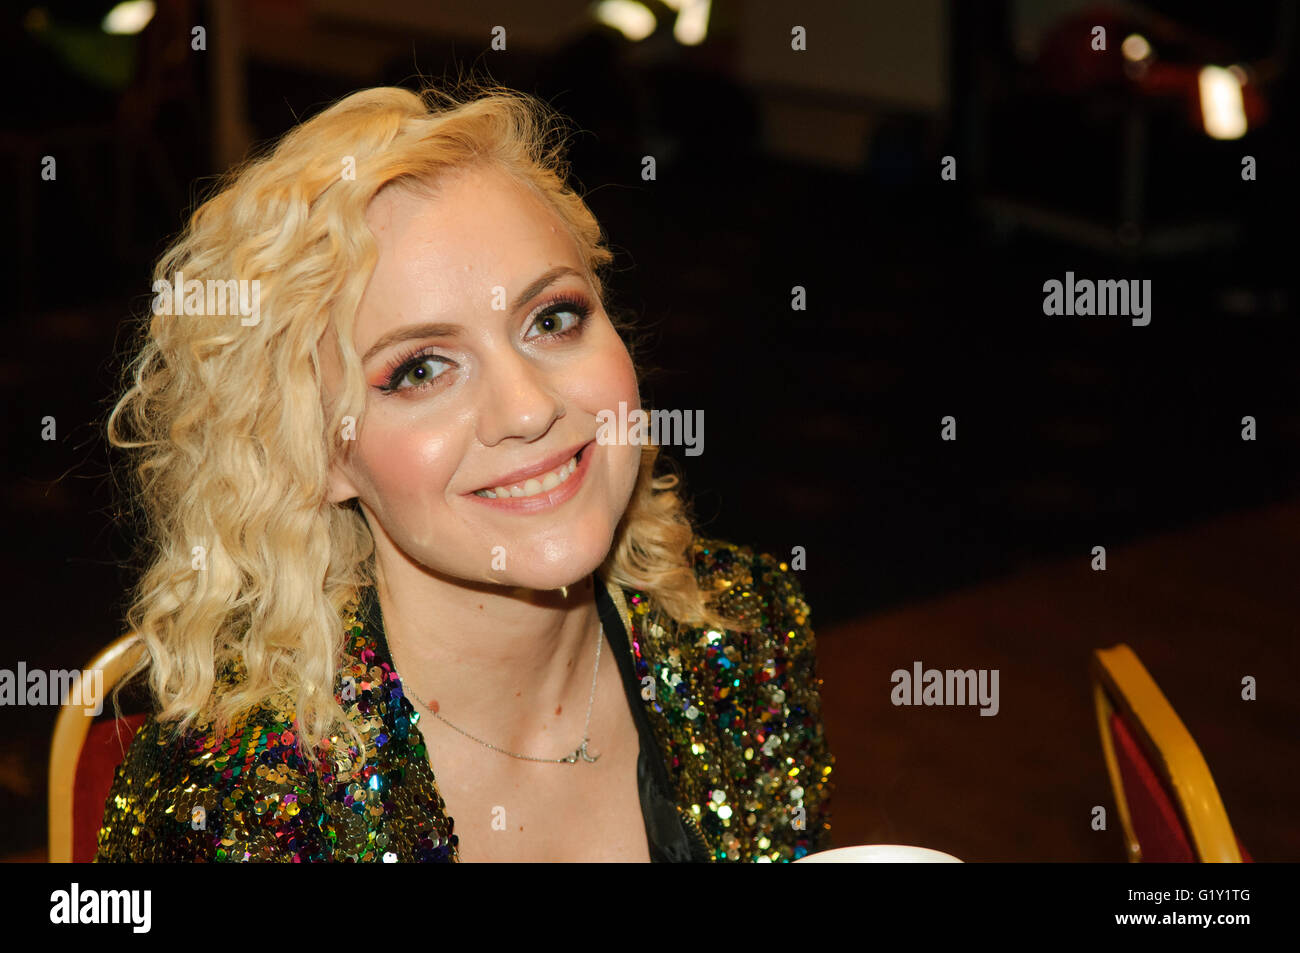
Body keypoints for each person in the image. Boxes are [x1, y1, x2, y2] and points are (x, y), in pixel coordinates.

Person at [95, 81, 833, 862]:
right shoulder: (239, 805)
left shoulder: (742, 631)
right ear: (314, 453)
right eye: (420, 370)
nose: (525, 409)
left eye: (553, 319)